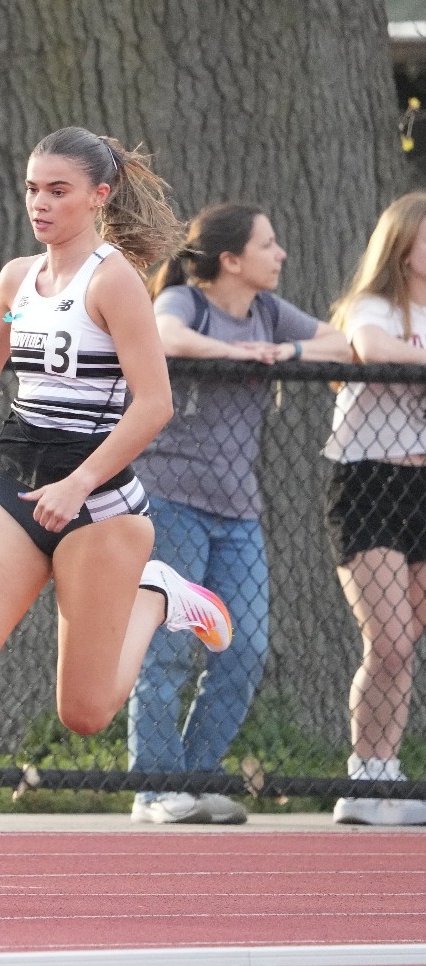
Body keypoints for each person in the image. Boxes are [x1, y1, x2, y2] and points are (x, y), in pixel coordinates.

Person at [0, 128, 233, 903]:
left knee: (85, 713)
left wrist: (81, 482)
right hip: (12, 489)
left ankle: (155, 596)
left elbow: (153, 404)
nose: (39, 202)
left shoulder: (115, 281)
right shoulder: (16, 279)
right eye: (31, 188)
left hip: (99, 509)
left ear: (98, 196)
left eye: (57, 189)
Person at [127, 203, 350, 825]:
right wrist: (237, 355)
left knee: (244, 648)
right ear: (231, 260)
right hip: (170, 500)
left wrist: (286, 353)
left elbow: (340, 343)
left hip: (237, 511)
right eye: (268, 244)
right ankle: (155, 788)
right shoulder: (188, 303)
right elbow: (163, 336)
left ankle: (192, 780)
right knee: (169, 648)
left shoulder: (269, 314)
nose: (280, 255)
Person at [321, 191, 426, 826]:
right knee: (386, 640)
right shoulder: (372, 306)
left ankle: (390, 774)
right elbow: (376, 350)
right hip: (368, 482)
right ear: (404, 245)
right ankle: (365, 780)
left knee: (408, 643)